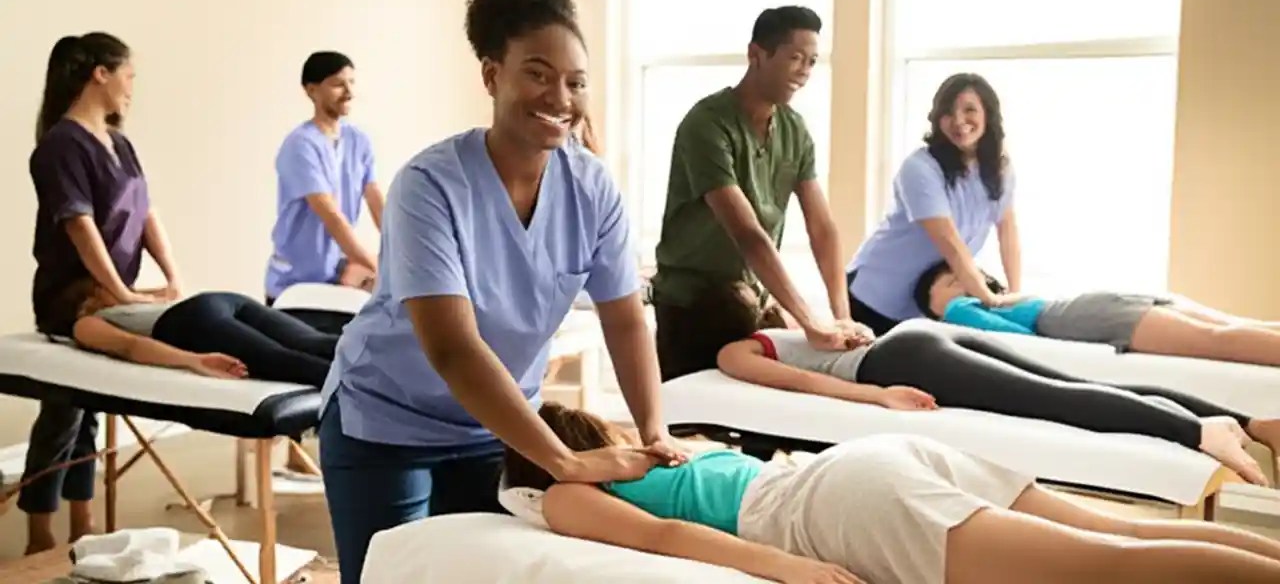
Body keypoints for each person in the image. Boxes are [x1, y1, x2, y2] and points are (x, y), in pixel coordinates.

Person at [316, 0, 684, 584]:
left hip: (498, 425)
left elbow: (624, 319)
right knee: (392, 574)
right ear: (493, 75)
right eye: (537, 74)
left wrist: (654, 428)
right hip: (388, 421)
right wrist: (562, 460)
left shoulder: (591, 188)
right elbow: (454, 349)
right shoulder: (429, 186)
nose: (560, 98)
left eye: (576, 82)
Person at [505, 402, 1280, 584]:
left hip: (840, 505)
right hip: (868, 460)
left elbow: (672, 541)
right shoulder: (653, 444)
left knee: (1107, 567)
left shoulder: (565, 493)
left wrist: (794, 569)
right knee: (1123, 537)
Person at [711, 285, 1278, 484]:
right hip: (915, 341)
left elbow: (806, 386)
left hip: (901, 359)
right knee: (1070, 383)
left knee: (1054, 398)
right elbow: (807, 376)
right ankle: (1253, 423)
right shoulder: (788, 326)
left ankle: (1199, 430)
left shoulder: (741, 349)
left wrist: (877, 394)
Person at [23, 33, 183, 554]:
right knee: (66, 406)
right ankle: (40, 534)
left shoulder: (120, 142)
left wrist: (170, 276)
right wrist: (120, 292)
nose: (132, 88)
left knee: (87, 406)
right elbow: (78, 224)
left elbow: (146, 213)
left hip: (114, 292)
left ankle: (84, 525)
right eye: (129, 76)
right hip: (70, 295)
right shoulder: (60, 146)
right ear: (100, 74)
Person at [651, 6, 864, 383]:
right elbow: (748, 233)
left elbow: (823, 228)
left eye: (812, 62)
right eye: (795, 57)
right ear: (757, 54)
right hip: (691, 305)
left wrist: (840, 314)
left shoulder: (794, 130)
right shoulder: (706, 124)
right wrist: (808, 322)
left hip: (748, 297)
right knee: (692, 421)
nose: (804, 71)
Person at [846, 73, 1021, 336]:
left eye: (970, 109)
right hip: (874, 293)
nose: (959, 121)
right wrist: (989, 298)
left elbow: (1007, 230)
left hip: (924, 303)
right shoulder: (920, 168)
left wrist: (1016, 295)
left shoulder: (999, 169)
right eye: (949, 112)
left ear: (988, 114)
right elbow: (949, 242)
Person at [915, 260, 1280, 366]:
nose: (959, 288)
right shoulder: (1012, 299)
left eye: (953, 280)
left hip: (1079, 318)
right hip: (1095, 305)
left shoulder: (956, 310)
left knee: (1219, 340)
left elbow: (1021, 343)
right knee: (1236, 327)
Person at [264, 51, 384, 334]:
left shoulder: (358, 141)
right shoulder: (301, 145)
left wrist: (405, 251)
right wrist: (378, 266)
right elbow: (331, 216)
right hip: (295, 286)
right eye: (338, 84)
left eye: (352, 82)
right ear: (311, 90)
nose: (349, 92)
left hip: (337, 279)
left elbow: (377, 202)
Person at [68, 279, 338, 387]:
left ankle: (368, 389)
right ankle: (373, 375)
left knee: (287, 354)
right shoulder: (86, 322)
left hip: (195, 314)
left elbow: (133, 345)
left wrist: (193, 360)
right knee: (306, 345)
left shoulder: (131, 301)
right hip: (208, 307)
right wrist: (193, 360)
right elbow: (131, 346)